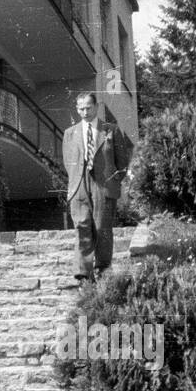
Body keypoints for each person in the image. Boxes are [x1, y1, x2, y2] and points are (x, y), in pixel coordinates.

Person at [62, 91, 133, 282]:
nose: (84, 112)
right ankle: (83, 272)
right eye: (81, 109)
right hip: (79, 185)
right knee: (82, 226)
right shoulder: (70, 133)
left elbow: (122, 162)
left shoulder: (111, 130)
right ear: (77, 110)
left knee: (102, 227)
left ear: (96, 107)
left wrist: (114, 181)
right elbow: (68, 161)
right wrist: (77, 179)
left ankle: (103, 267)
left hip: (103, 184)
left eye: (88, 107)